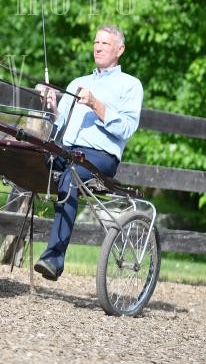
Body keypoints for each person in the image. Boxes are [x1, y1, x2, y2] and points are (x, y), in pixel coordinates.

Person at [33, 24, 143, 281]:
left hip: (100, 157)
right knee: (22, 155)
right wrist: (51, 106)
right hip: (67, 150)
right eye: (96, 42)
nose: (98, 47)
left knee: (71, 176)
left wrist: (96, 104)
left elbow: (127, 129)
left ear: (120, 49)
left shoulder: (130, 85)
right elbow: (59, 124)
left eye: (105, 43)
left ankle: (53, 259)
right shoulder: (78, 82)